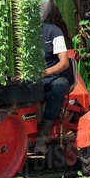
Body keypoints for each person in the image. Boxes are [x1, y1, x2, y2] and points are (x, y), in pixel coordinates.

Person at [35, 23, 70, 154]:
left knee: (59, 86)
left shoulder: (53, 31)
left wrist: (44, 72)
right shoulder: (18, 32)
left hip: (52, 77)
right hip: (30, 79)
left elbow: (64, 63)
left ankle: (43, 135)